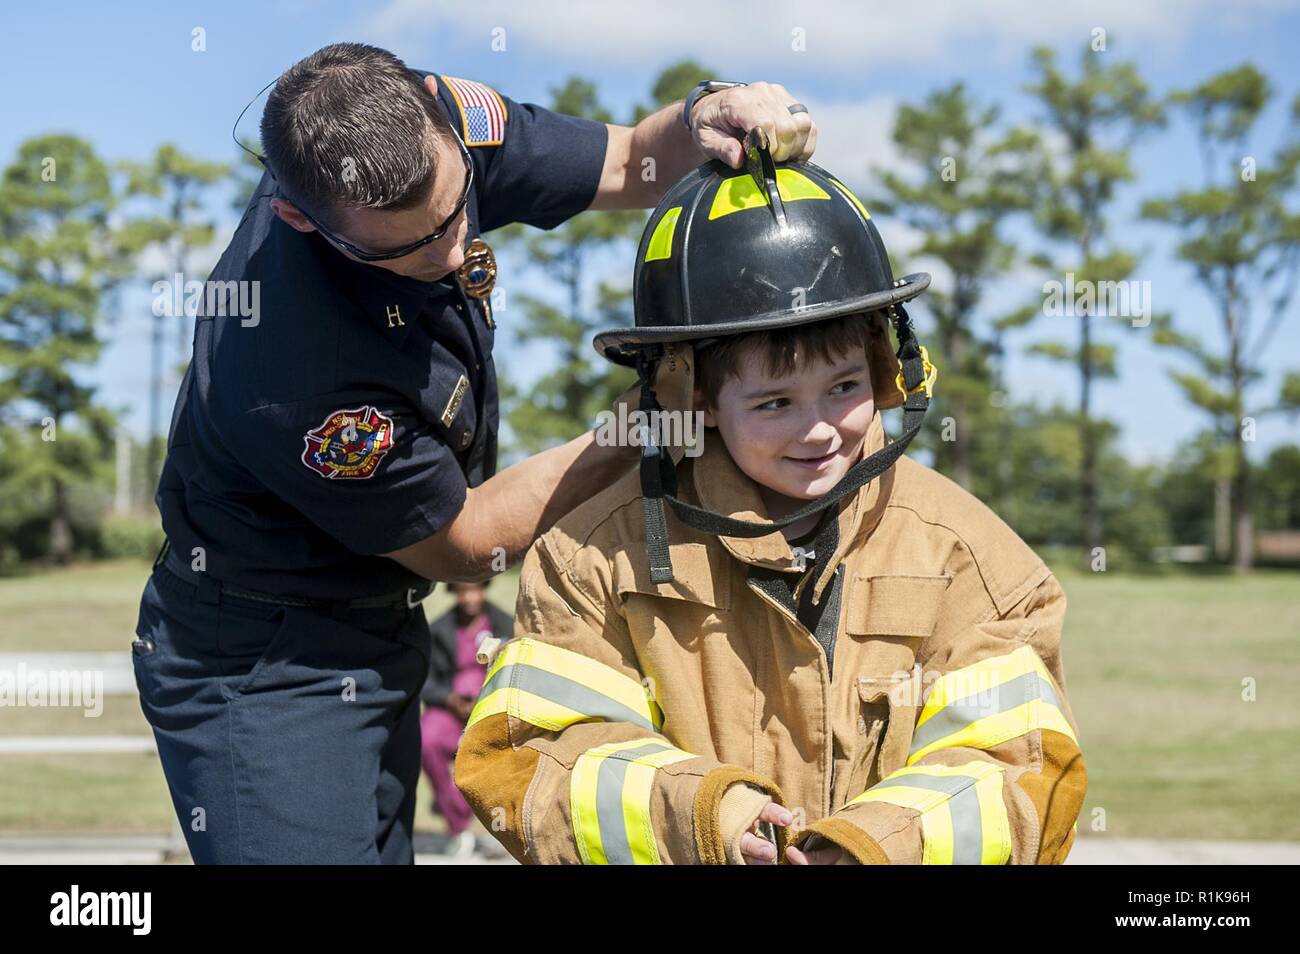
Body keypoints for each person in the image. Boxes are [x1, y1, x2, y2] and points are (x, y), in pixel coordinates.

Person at [131, 40, 820, 863]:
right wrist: (650, 417)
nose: (455, 252)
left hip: (378, 620)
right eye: (409, 250)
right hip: (268, 656)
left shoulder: (440, 125)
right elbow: (461, 541)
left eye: (459, 211)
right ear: (299, 217)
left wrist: (705, 114)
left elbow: (633, 159)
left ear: (438, 110)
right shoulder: (293, 370)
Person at [454, 135, 1087, 864]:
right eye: (775, 401)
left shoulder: (971, 559)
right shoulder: (590, 559)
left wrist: (870, 847)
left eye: (845, 387)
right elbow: (532, 762)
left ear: (885, 371)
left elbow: (1019, 770)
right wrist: (706, 818)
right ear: (698, 398)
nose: (819, 429)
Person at [418, 581, 511, 856]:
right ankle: (458, 824)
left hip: (490, 709)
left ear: (485, 589)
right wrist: (450, 700)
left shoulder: (504, 624)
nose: (471, 597)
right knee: (427, 740)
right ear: (455, 593)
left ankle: (503, 829)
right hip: (450, 708)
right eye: (464, 590)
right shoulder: (439, 629)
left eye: (476, 589)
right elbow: (426, 680)